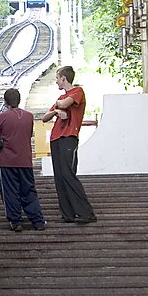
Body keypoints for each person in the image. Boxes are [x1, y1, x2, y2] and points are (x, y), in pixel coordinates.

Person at [42, 66, 97, 223]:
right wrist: (56, 112)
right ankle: (67, 213)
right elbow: (45, 117)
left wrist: (59, 106)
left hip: (69, 137)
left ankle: (86, 213)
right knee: (59, 176)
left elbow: (65, 104)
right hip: (56, 138)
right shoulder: (61, 98)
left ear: (64, 78)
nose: (56, 82)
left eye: (57, 78)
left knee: (68, 174)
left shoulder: (77, 91)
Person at [0, 87, 47, 232]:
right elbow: (28, 135)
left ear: (6, 102)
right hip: (25, 161)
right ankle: (38, 221)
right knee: (29, 190)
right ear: (19, 100)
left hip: (7, 161)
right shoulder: (29, 117)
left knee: (10, 192)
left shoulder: (1, 118)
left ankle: (16, 221)